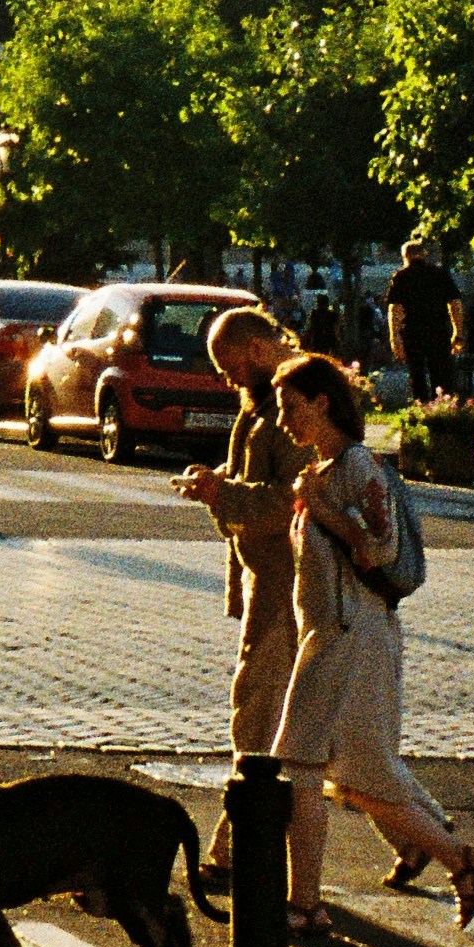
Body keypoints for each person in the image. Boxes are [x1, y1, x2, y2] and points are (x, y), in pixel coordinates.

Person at [268, 349, 474, 933]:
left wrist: (327, 513)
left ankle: (304, 904)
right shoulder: (317, 474)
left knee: (298, 766)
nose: (283, 421)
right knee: (360, 775)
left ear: (323, 403)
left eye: (290, 407)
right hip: (333, 633)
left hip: (353, 635)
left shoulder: (358, 468)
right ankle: (459, 859)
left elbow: (380, 550)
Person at [175, 304, 298, 874]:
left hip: (286, 582)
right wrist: (219, 483)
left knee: (257, 710)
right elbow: (263, 486)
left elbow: (287, 502)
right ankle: (416, 835)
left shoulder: (289, 406)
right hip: (266, 577)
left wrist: (220, 496)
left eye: (227, 366)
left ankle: (233, 845)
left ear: (254, 350)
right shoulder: (262, 402)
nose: (224, 380)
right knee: (327, 734)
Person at [383, 231, 463, 405]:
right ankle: (443, 407)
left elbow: (395, 308)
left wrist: (394, 336)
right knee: (440, 372)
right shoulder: (440, 274)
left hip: (412, 331)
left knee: (417, 374)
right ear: (424, 254)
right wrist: (458, 331)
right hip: (438, 330)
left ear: (405, 257)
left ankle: (422, 408)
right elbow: (455, 303)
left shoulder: (401, 277)